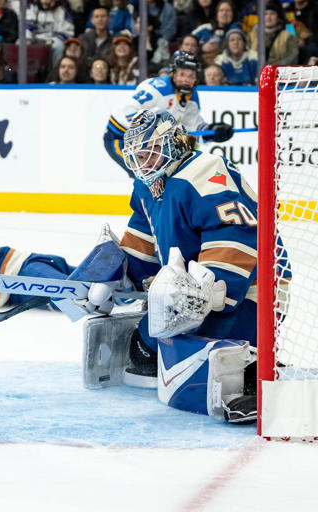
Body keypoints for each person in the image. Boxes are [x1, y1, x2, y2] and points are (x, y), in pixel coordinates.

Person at [108, 108, 259, 424]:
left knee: (217, 363)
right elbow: (142, 247)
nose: (142, 165)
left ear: (173, 145)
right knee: (144, 351)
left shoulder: (206, 170)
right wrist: (116, 278)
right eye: (135, 158)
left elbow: (237, 235)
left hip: (250, 289)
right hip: (191, 293)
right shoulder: (146, 186)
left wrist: (213, 291)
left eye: (149, 154)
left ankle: (259, 375)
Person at [103, 50, 234, 178]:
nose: (186, 80)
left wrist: (210, 132)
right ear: (173, 74)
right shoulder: (157, 88)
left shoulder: (192, 97)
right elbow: (129, 111)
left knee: (177, 164)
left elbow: (191, 129)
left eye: (191, 76)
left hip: (152, 145)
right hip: (121, 137)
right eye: (182, 74)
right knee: (147, 176)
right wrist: (157, 129)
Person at [24, 0, 75, 68]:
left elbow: (68, 32)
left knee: (58, 46)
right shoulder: (33, 6)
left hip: (54, 40)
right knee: (21, 43)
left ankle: (55, 71)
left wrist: (52, 40)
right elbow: (27, 26)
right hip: (34, 40)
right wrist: (27, 38)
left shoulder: (63, 9)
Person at [250, 1, 299, 66]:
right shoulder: (254, 33)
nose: (268, 17)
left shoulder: (288, 32)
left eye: (272, 14)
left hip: (279, 71)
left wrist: (274, 68)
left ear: (278, 17)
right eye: (265, 14)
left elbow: (293, 57)